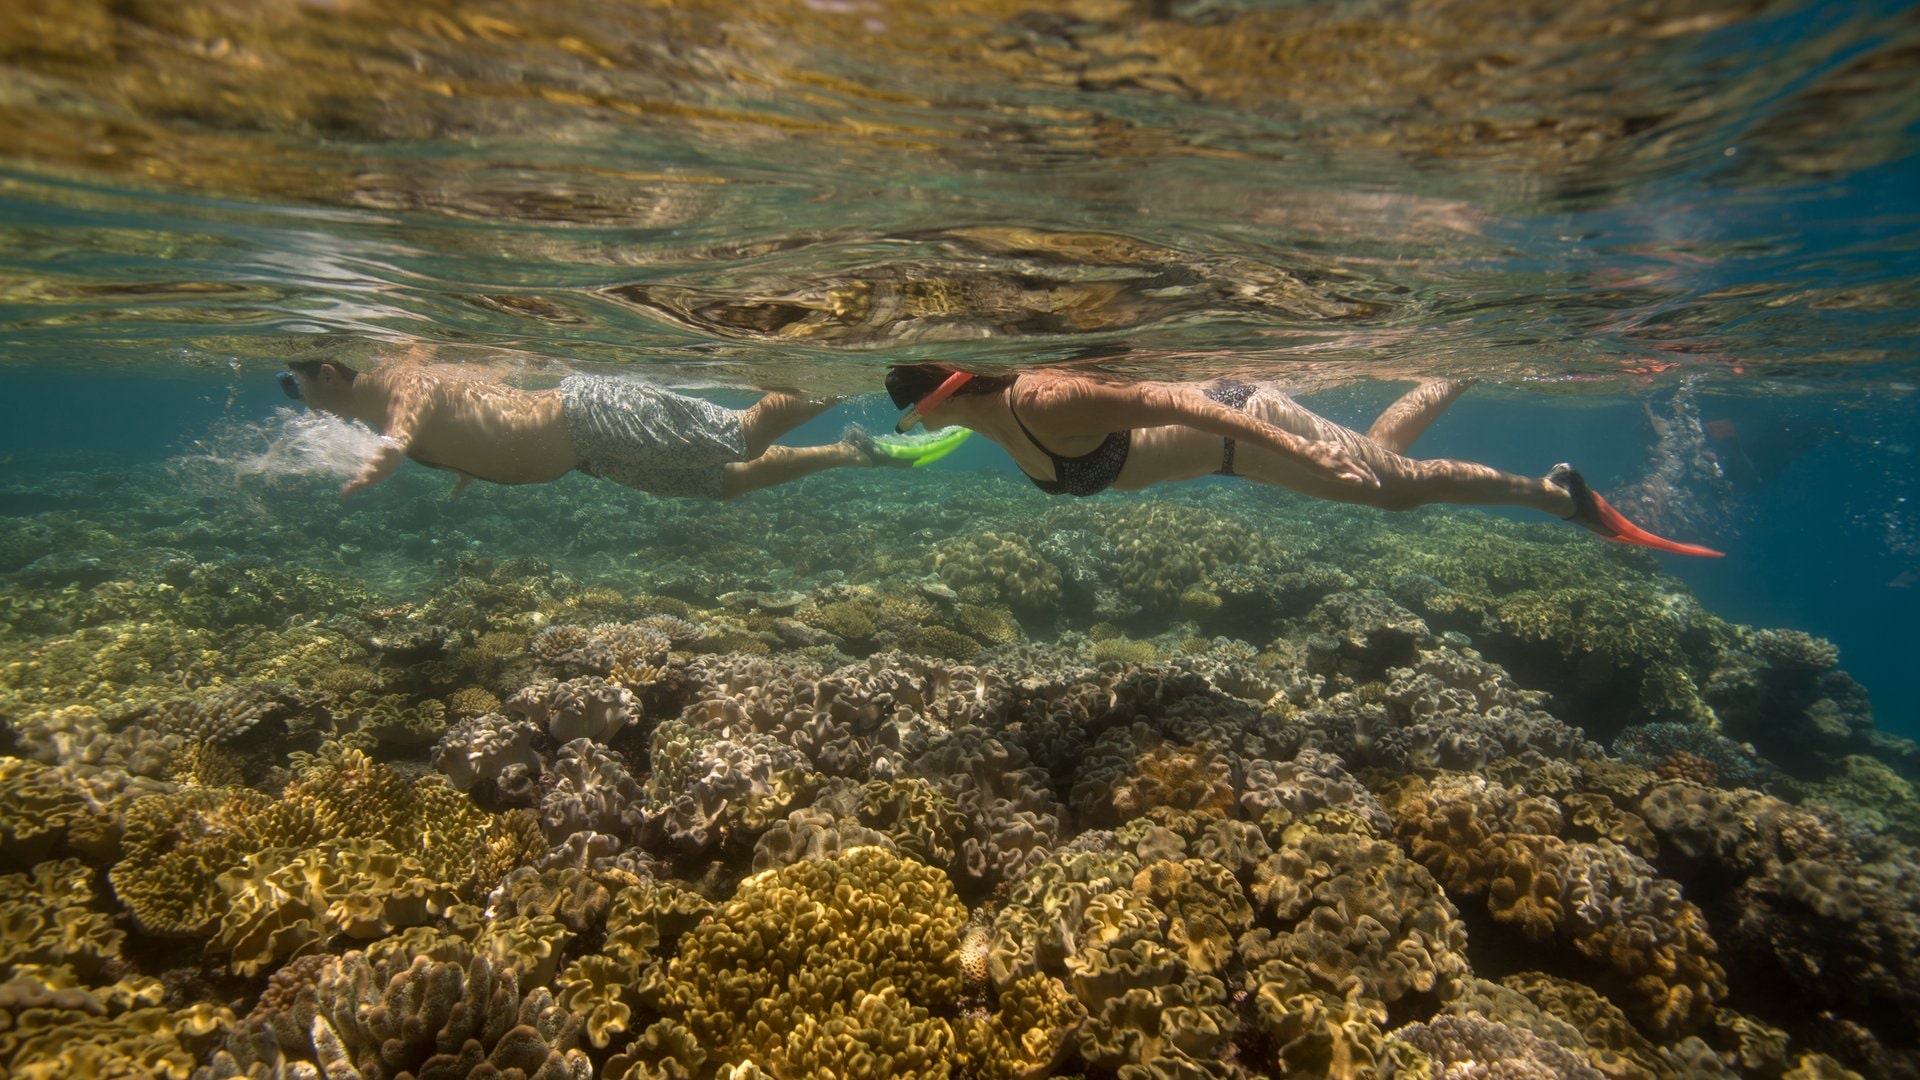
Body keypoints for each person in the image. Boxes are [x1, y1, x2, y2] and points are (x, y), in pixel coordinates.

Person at [886, 364, 1722, 556]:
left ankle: (1558, 495)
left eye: (914, 409)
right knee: (1382, 459)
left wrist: (1299, 449)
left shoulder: (1042, 402)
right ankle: (1457, 368)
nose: (912, 423)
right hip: (1226, 456)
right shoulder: (987, 422)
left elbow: (1176, 404)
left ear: (944, 394)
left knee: (1391, 490)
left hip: (1240, 424)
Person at [279, 354, 921, 501]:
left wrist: (384, 457)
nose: (294, 395)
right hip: (586, 455)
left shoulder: (391, 378)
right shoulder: (370, 405)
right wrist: (468, 468)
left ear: (329, 371)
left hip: (588, 414)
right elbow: (458, 425)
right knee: (718, 481)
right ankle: (847, 451)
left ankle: (859, 369)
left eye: (295, 381)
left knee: (742, 434)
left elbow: (418, 399)